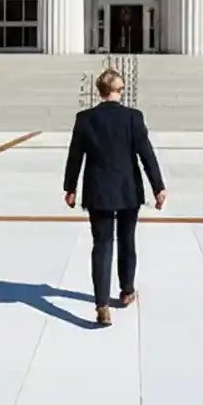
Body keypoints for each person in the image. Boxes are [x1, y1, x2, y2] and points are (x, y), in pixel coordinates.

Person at [63, 68, 167, 327]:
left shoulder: (85, 119)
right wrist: (158, 187)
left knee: (102, 244)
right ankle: (127, 290)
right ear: (119, 91)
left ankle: (101, 305)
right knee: (127, 241)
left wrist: (70, 187)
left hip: (98, 190)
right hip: (128, 189)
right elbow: (146, 154)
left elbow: (75, 156)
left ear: (100, 91)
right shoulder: (133, 117)